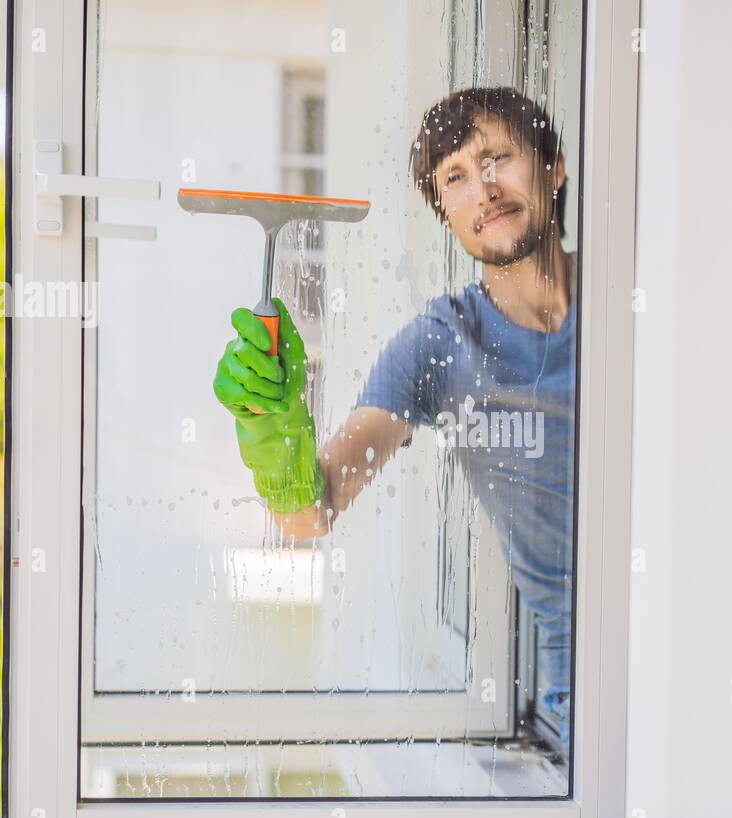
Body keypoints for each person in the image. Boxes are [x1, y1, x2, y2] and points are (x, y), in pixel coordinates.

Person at [212, 86, 576, 747]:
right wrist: (271, 424)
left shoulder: (636, 296)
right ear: (446, 214)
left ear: (553, 168)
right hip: (578, 711)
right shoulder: (440, 344)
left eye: (499, 158)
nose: (484, 190)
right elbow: (308, 514)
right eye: (457, 178)